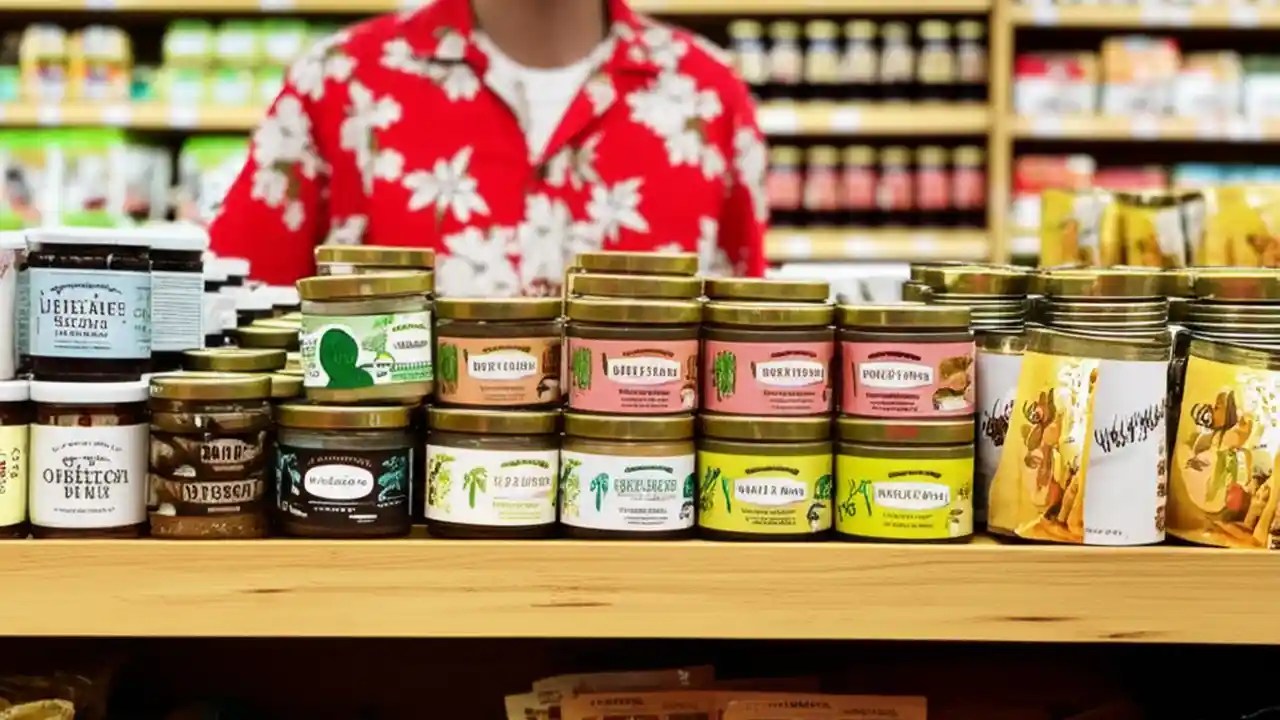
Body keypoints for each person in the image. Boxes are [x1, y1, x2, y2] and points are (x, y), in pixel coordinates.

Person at [209, 0, 769, 296]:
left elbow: (747, 337)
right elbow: (237, 320)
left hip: (643, 498)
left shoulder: (708, 96)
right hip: (389, 507)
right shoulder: (337, 83)